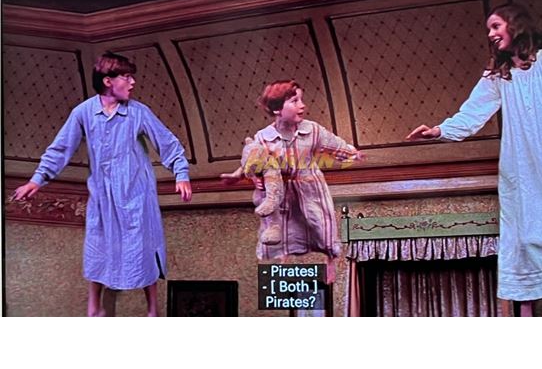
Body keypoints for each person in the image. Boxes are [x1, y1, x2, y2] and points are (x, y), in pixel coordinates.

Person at [406, 3, 542, 315]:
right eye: (488, 30)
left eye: (496, 26)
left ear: (515, 24)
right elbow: (472, 114)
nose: (491, 34)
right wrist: (439, 130)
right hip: (525, 165)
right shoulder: (498, 76)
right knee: (525, 237)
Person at [12, 53, 192, 316]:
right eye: (126, 77)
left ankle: (153, 311)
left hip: (136, 193)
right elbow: (60, 148)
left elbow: (167, 143)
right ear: (108, 81)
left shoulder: (138, 112)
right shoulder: (84, 113)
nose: (132, 82)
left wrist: (181, 173)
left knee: (143, 246)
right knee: (98, 248)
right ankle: (95, 309)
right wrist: (37, 180)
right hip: (102, 196)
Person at [224, 80, 363, 284]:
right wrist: (249, 177)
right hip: (280, 189)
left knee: (320, 224)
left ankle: (330, 258)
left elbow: (334, 144)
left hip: (309, 186)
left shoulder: (312, 130)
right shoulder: (264, 137)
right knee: (283, 226)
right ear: (277, 109)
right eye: (294, 101)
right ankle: (282, 261)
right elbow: (252, 160)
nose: (302, 105)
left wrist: (351, 153)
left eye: (301, 100)